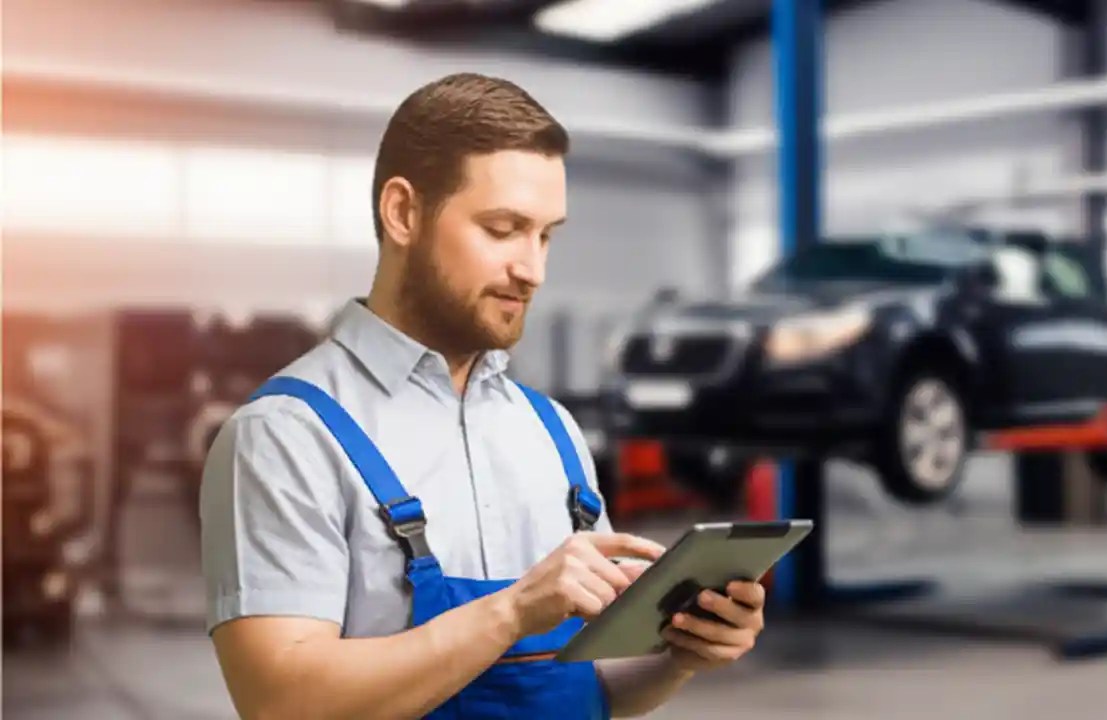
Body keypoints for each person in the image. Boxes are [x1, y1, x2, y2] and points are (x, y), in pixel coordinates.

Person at [200, 73, 768, 719]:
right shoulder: (286, 435)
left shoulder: (550, 432)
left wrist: (681, 657)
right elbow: (283, 703)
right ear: (403, 213)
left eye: (546, 234)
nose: (533, 269)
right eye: (503, 229)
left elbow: (591, 689)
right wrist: (513, 611)